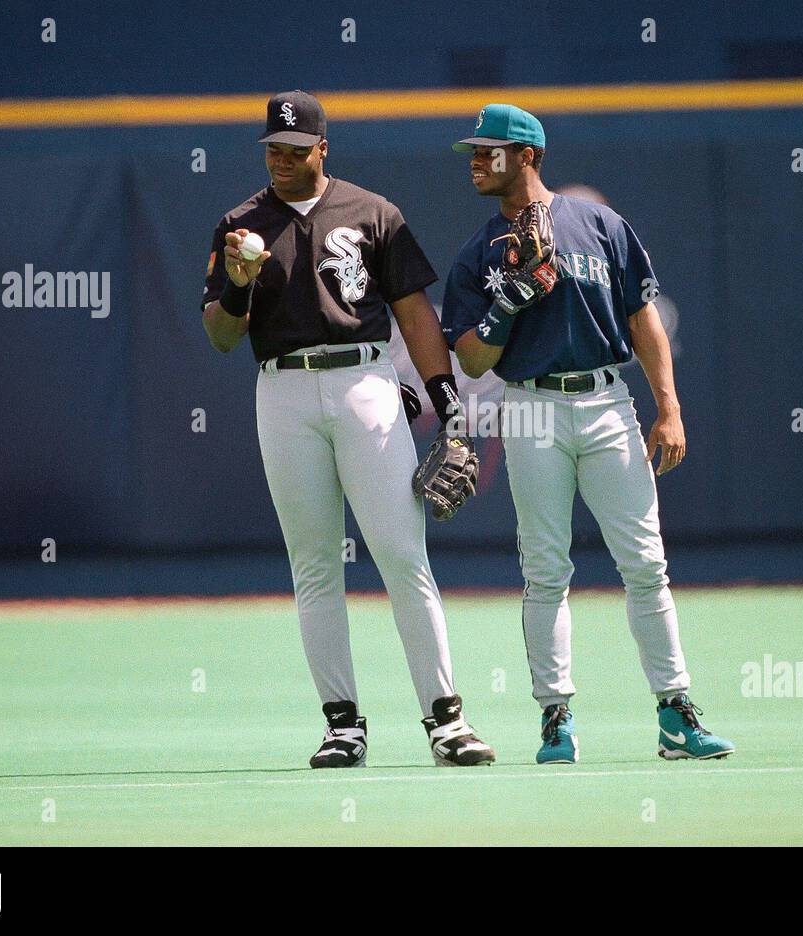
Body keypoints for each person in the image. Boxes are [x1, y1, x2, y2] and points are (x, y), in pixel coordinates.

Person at [200, 90, 494, 768]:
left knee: (400, 552)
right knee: (314, 566)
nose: (282, 159)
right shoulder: (240, 223)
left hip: (365, 381)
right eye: (273, 148)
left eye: (295, 150)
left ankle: (446, 720)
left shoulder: (371, 212)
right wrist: (240, 284)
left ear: (322, 148)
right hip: (283, 387)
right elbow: (220, 335)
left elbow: (415, 314)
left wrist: (447, 400)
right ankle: (342, 725)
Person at [440, 104, 735, 764]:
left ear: (529, 157)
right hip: (530, 406)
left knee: (645, 564)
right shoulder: (477, 253)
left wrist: (669, 407)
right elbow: (472, 359)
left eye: (491, 151)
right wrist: (506, 306)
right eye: (474, 151)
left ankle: (675, 711)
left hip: (605, 400)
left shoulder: (600, 224)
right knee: (545, 569)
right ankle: (556, 717)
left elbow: (643, 320)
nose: (476, 161)